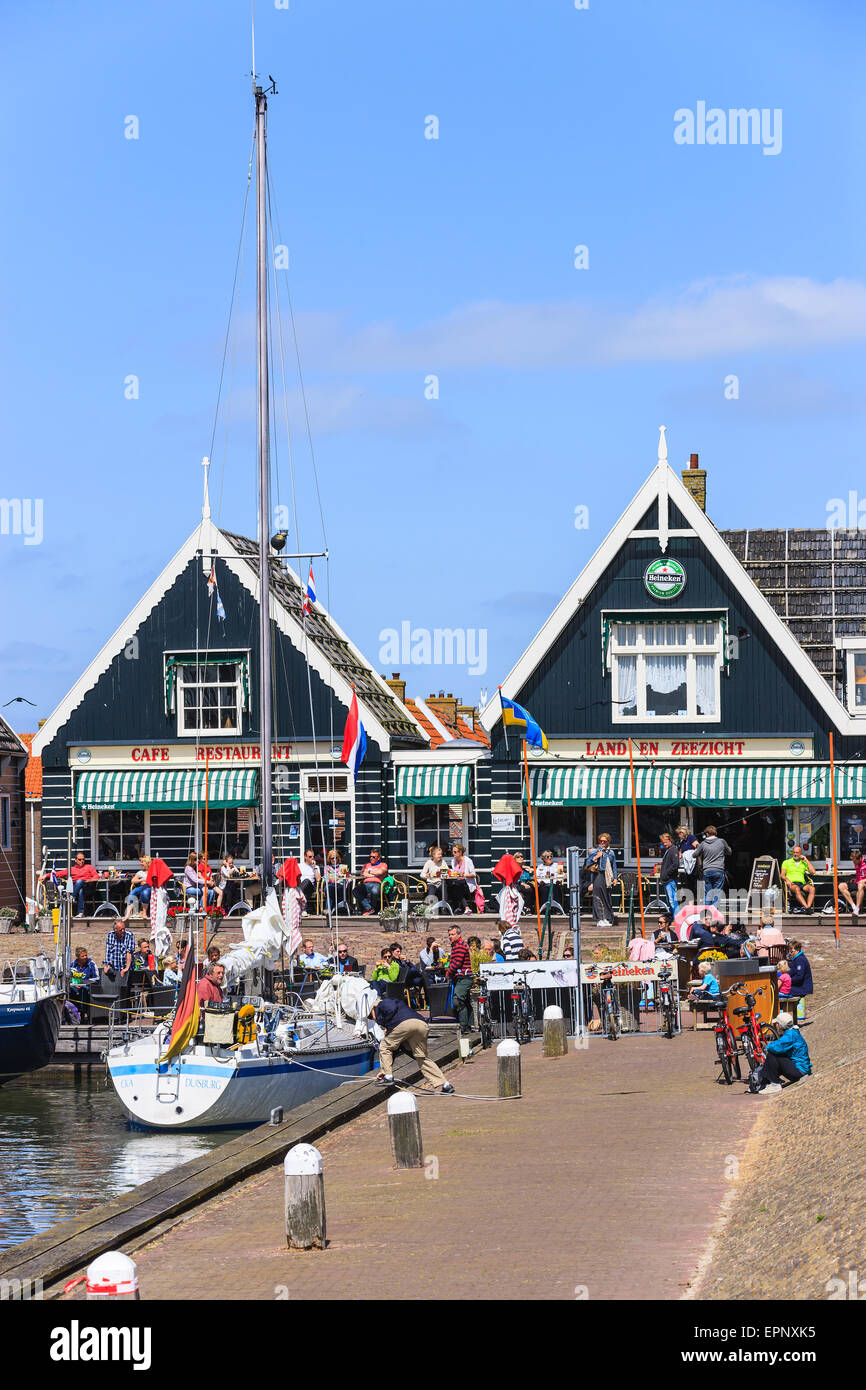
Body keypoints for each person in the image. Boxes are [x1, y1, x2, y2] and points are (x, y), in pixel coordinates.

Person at [371, 995, 454, 1093]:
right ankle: (446, 1084)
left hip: (405, 1025)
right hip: (422, 1025)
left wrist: (387, 1074)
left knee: (384, 1046)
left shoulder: (383, 1003)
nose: (372, 1018)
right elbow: (393, 1051)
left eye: (370, 1016)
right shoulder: (397, 1006)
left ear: (373, 1008)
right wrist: (383, 1071)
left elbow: (391, 1008)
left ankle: (388, 1077)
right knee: (421, 1057)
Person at [753, 1012, 812, 1095]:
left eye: (776, 1024)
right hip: (801, 1069)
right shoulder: (793, 1031)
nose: (776, 1026)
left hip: (799, 1071)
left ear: (780, 1025)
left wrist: (767, 1047)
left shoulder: (789, 1035)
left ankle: (775, 1083)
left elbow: (777, 1047)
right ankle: (768, 1081)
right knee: (777, 1055)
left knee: (773, 1054)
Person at [445, 924, 474, 1033]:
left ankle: (463, 1026)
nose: (450, 937)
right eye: (449, 935)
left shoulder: (460, 946)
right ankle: (468, 1026)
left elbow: (457, 963)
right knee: (465, 1001)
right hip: (461, 976)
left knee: (458, 1000)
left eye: (452, 934)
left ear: (458, 934)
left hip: (464, 977)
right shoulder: (455, 945)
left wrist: (448, 972)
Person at [695, 826, 731, 911]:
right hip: (718, 870)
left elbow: (695, 854)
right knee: (717, 893)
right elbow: (729, 851)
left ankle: (707, 914)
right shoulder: (721, 841)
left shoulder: (703, 843)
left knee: (708, 893)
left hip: (707, 871)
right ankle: (714, 913)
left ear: (707, 834)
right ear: (715, 833)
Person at [586, 833, 618, 927]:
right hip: (598, 875)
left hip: (608, 877)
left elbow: (614, 866)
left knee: (607, 897)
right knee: (598, 897)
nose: (602, 842)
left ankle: (607, 918)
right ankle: (600, 919)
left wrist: (615, 878)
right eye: (601, 841)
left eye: (604, 841)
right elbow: (587, 863)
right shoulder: (596, 851)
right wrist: (596, 857)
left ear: (608, 841)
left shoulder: (611, 853)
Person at [780, 844, 815, 914]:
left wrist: (806, 860)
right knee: (797, 889)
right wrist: (787, 880)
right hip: (792, 883)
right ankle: (807, 908)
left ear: (801, 854)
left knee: (812, 888)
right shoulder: (786, 862)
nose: (795, 854)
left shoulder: (803, 863)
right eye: (794, 852)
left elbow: (813, 872)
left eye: (797, 852)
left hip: (802, 883)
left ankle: (808, 907)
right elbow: (782, 875)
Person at [653, 832, 681, 922]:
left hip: (670, 880)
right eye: (662, 842)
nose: (664, 844)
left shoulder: (673, 850)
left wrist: (666, 873)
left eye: (665, 842)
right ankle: (673, 918)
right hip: (667, 879)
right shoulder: (669, 850)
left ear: (669, 840)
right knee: (670, 901)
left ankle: (676, 919)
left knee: (673, 901)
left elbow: (676, 864)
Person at [68, 947, 99, 1021]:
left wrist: (85, 982)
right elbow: (68, 978)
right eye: (83, 956)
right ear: (78, 957)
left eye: (86, 955)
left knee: (83, 990)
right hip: (75, 986)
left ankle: (82, 1012)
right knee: (69, 990)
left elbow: (97, 978)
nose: (85, 957)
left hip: (88, 986)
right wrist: (74, 983)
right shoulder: (72, 965)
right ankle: (71, 1013)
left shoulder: (91, 963)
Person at [354, 849, 388, 916]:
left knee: (374, 891)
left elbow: (381, 872)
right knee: (355, 890)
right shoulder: (366, 865)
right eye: (370, 856)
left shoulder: (383, 865)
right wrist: (375, 874)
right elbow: (362, 874)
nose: (371, 858)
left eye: (373, 857)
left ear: (378, 858)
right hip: (366, 884)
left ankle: (372, 908)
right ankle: (369, 908)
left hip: (377, 884)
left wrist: (368, 872)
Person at [102, 921, 135, 988]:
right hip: (115, 968)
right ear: (115, 930)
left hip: (126, 968)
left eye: (124, 929)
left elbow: (129, 953)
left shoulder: (129, 935)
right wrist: (107, 965)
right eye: (120, 930)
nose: (123, 931)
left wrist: (126, 968)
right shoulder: (110, 935)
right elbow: (108, 952)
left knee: (126, 990)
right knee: (115, 989)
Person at [448, 843, 477, 914]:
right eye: (452, 852)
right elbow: (454, 872)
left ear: (460, 852)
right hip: (458, 883)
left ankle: (458, 908)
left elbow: (473, 874)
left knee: (455, 886)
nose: (453, 853)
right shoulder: (453, 861)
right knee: (451, 886)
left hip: (467, 883)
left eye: (455, 852)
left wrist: (464, 875)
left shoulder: (468, 861)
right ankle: (465, 907)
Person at [69, 851, 99, 918]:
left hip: (88, 888)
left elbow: (96, 876)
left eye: (83, 859)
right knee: (80, 890)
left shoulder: (88, 867)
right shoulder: (72, 869)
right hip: (79, 889)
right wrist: (46, 875)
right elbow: (59, 873)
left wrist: (90, 880)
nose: (82, 861)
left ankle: (72, 897)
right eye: (80, 859)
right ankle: (81, 912)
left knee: (79, 881)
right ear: (76, 860)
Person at [123, 855, 152, 921]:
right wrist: (141, 880)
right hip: (142, 887)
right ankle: (127, 914)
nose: (140, 863)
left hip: (151, 888)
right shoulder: (140, 872)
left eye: (142, 862)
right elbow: (133, 880)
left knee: (145, 892)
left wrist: (147, 882)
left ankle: (144, 913)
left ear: (147, 863)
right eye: (140, 862)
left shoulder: (152, 871)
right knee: (132, 892)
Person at [838, 849, 866, 917]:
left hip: (863, 884)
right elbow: (860, 874)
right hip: (858, 882)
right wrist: (855, 879)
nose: (854, 863)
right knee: (841, 886)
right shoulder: (856, 863)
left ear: (860, 858)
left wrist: (864, 880)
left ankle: (857, 909)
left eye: (855, 861)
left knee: (860, 885)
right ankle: (854, 907)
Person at [676, 824, 701, 902]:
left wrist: (691, 854)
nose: (679, 835)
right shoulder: (682, 843)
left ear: (684, 832)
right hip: (686, 866)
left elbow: (698, 847)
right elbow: (680, 854)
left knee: (695, 882)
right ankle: (691, 901)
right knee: (688, 884)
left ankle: (697, 900)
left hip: (694, 865)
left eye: (680, 833)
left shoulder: (691, 838)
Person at [325, 850, 351, 914]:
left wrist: (341, 879)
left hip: (340, 885)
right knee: (329, 889)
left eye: (336, 857)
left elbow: (347, 877)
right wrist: (335, 880)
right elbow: (327, 879)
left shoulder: (343, 867)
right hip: (331, 885)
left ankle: (339, 909)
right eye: (332, 858)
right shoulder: (327, 868)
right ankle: (328, 910)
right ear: (329, 859)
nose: (334, 859)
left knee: (339, 888)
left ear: (338, 858)